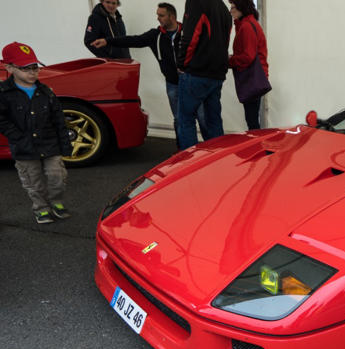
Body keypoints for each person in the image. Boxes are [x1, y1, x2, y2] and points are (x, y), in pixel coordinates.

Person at [90, 2, 207, 146]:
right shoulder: (155, 35)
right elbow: (133, 39)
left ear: (172, 17)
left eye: (161, 15)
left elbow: (204, 50)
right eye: (157, 15)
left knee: (203, 117)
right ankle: (183, 152)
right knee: (179, 118)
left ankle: (211, 152)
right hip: (173, 84)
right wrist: (107, 41)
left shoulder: (188, 32)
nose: (158, 18)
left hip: (194, 82)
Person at [0, 42, 73, 224]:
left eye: (35, 68)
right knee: (33, 182)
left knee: (57, 176)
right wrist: (18, 137)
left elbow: (58, 120)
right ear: (9, 67)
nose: (32, 73)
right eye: (25, 69)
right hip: (23, 147)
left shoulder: (46, 92)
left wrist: (65, 145)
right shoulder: (3, 93)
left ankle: (56, 202)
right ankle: (41, 208)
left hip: (50, 144)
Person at [175, 0, 232, 150]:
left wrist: (181, 64)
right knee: (214, 120)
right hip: (216, 74)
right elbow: (225, 42)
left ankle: (189, 163)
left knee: (186, 119)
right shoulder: (224, 9)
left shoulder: (196, 2)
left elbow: (190, 37)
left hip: (197, 72)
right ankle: (217, 160)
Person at [228, 0, 268, 130]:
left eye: (233, 7)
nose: (230, 11)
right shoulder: (248, 24)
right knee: (252, 118)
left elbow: (248, 56)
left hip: (252, 78)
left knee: (251, 120)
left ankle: (258, 147)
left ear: (242, 8)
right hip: (255, 76)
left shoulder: (247, 26)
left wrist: (229, 61)